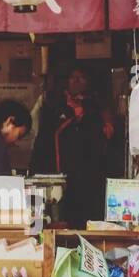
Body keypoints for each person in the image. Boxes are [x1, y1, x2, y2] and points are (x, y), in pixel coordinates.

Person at [29, 64, 112, 226]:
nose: (76, 81)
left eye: (81, 77)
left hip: (89, 174)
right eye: (73, 77)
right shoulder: (54, 105)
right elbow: (43, 139)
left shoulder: (96, 107)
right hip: (59, 174)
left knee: (88, 218)